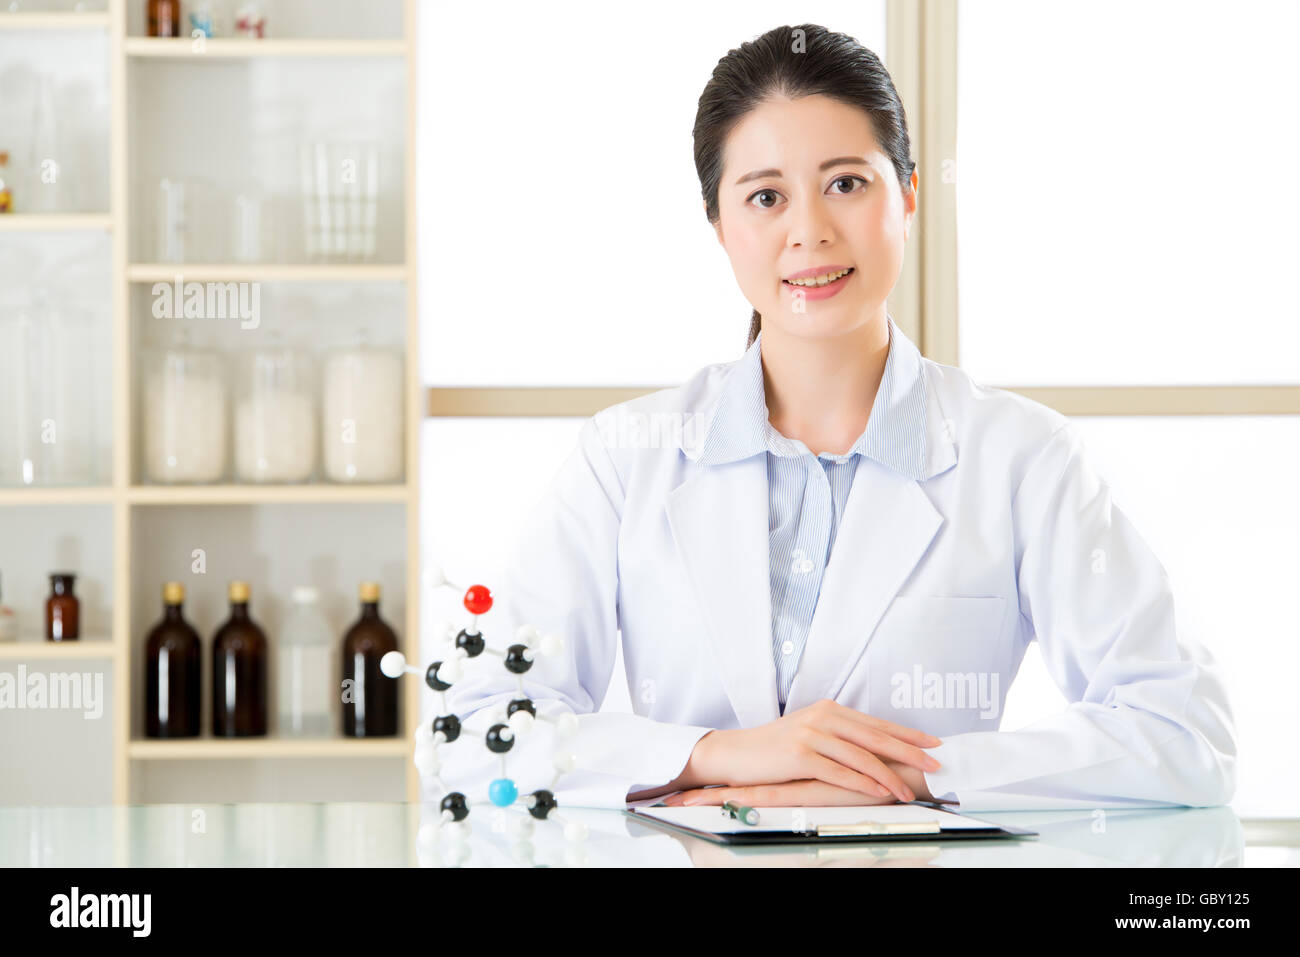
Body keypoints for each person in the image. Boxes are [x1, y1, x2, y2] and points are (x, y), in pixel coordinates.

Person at [415, 23, 1236, 813]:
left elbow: (1186, 732)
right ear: (720, 227)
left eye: (846, 182)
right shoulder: (626, 456)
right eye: (765, 196)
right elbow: (471, 729)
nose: (808, 230)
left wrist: (907, 773)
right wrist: (718, 753)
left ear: (908, 196)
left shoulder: (1021, 457)